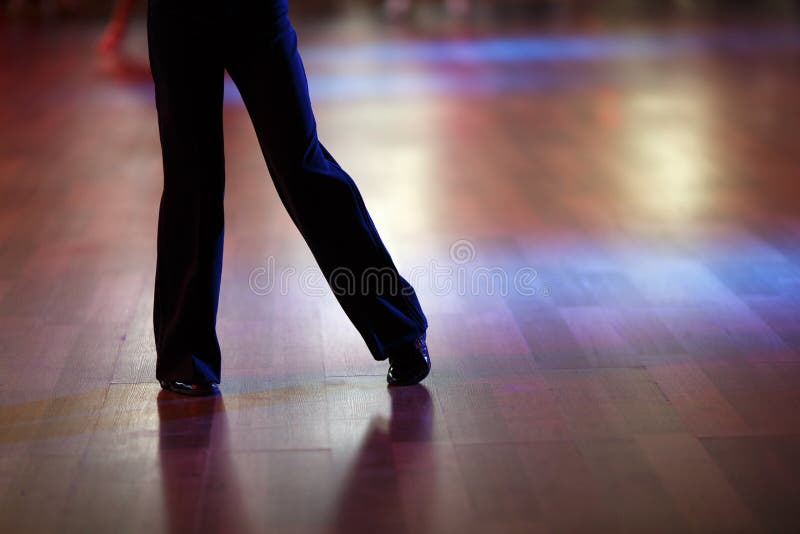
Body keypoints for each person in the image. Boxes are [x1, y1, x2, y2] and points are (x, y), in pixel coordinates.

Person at [147, 0, 430, 396]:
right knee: (190, 181)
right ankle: (186, 358)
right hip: (178, 14)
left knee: (302, 167)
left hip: (255, 12)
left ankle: (399, 328)